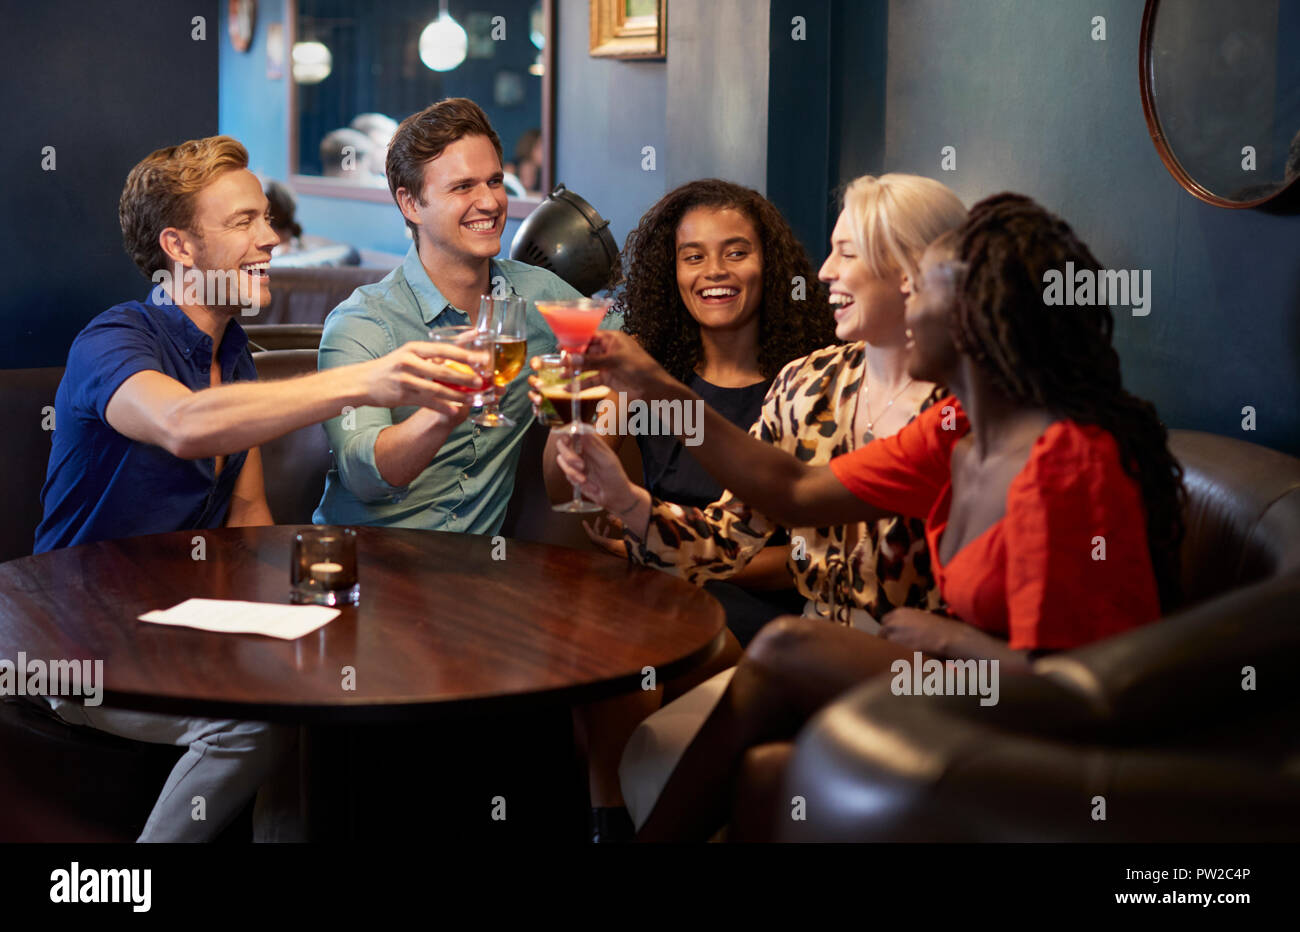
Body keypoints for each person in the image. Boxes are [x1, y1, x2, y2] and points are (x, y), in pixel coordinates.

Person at [560, 193, 1187, 840]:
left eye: (919, 289)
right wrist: (649, 423)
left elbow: (1080, 690)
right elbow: (797, 491)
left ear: (976, 315)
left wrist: (949, 642)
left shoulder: (1067, 461)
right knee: (767, 779)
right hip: (955, 682)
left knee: (786, 645)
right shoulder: (954, 430)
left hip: (1048, 725)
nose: (904, 301)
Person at [33, 134, 483, 841]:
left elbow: (247, 519)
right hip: (72, 645)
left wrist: (322, 613)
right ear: (179, 247)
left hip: (182, 629)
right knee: (257, 716)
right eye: (243, 222)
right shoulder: (113, 340)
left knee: (316, 690)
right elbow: (184, 424)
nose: (271, 238)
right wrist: (365, 379)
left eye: (266, 219)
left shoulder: (232, 354)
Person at [559, 174, 967, 832]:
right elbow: (727, 535)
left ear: (911, 270)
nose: (825, 270)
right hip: (810, 649)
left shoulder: (964, 405)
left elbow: (798, 497)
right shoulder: (809, 383)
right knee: (653, 755)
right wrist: (630, 502)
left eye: (848, 252)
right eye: (830, 250)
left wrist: (654, 387)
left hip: (915, 672)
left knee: (753, 754)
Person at [536, 178, 835, 840]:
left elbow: (809, 561)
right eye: (692, 256)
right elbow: (565, 494)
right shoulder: (652, 375)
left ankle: (610, 826)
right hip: (653, 601)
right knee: (604, 645)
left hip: (754, 616)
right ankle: (609, 820)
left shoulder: (807, 386)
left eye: (735, 253)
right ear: (671, 272)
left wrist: (682, 558)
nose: (713, 273)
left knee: (623, 650)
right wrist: (574, 415)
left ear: (771, 265)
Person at [313, 97, 613, 534]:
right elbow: (365, 476)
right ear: (411, 204)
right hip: (366, 565)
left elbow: (630, 346)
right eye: (463, 187)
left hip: (475, 574)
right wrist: (451, 404)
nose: (490, 202)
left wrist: (586, 412)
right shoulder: (360, 324)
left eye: (495, 181)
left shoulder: (537, 294)